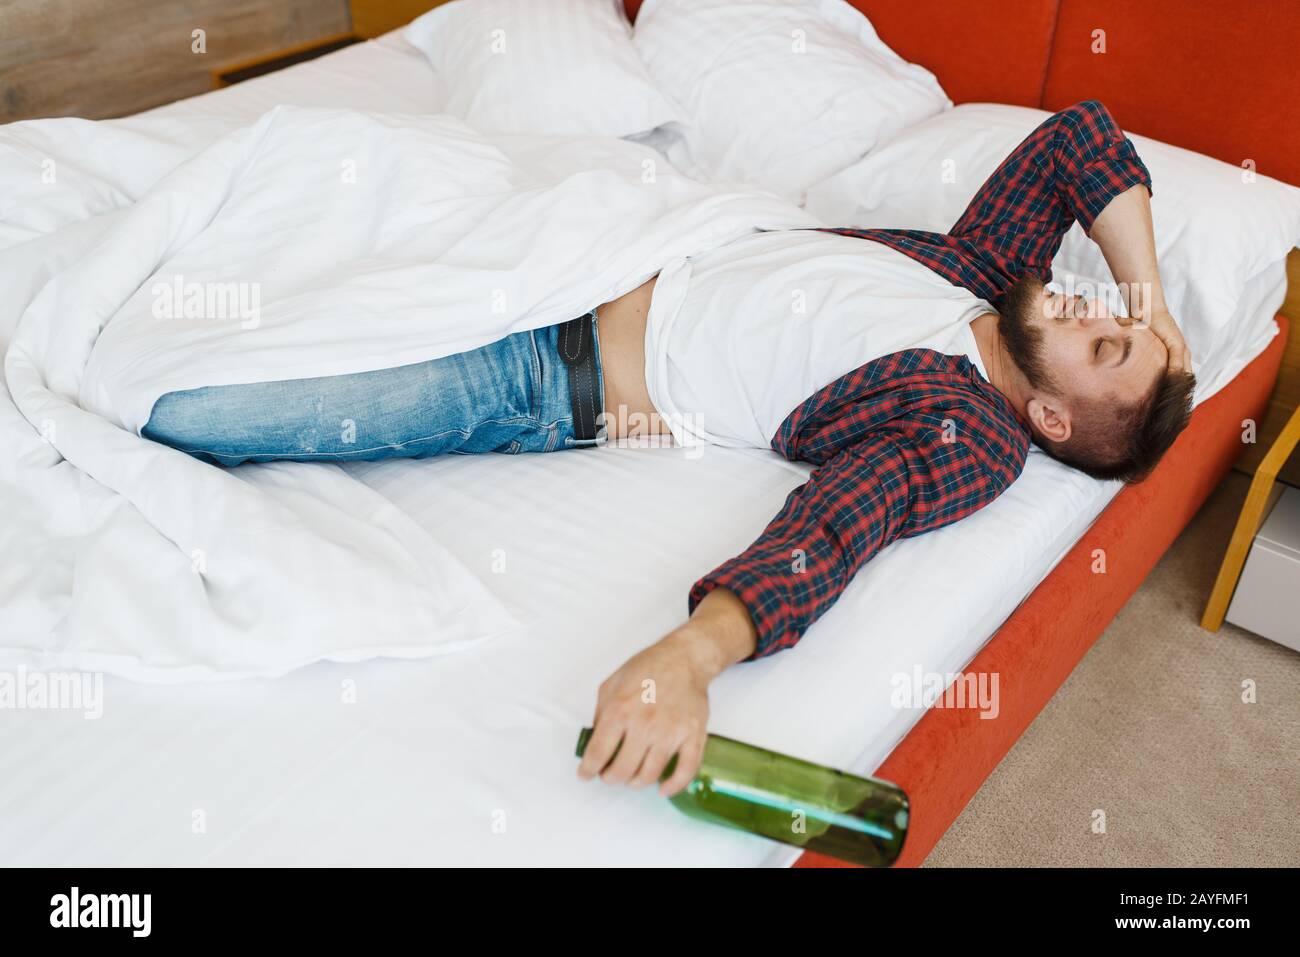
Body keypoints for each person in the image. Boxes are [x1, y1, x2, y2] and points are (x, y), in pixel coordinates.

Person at [141, 101, 1195, 796]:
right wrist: (1150, 313)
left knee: (186, 409)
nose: (1091, 302)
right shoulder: (983, 274)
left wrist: (690, 658)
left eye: (1102, 340)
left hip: (545, 368)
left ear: (1051, 420)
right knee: (296, 174)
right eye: (1112, 312)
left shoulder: (961, 431)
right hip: (598, 232)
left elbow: (837, 527)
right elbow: (1080, 138)